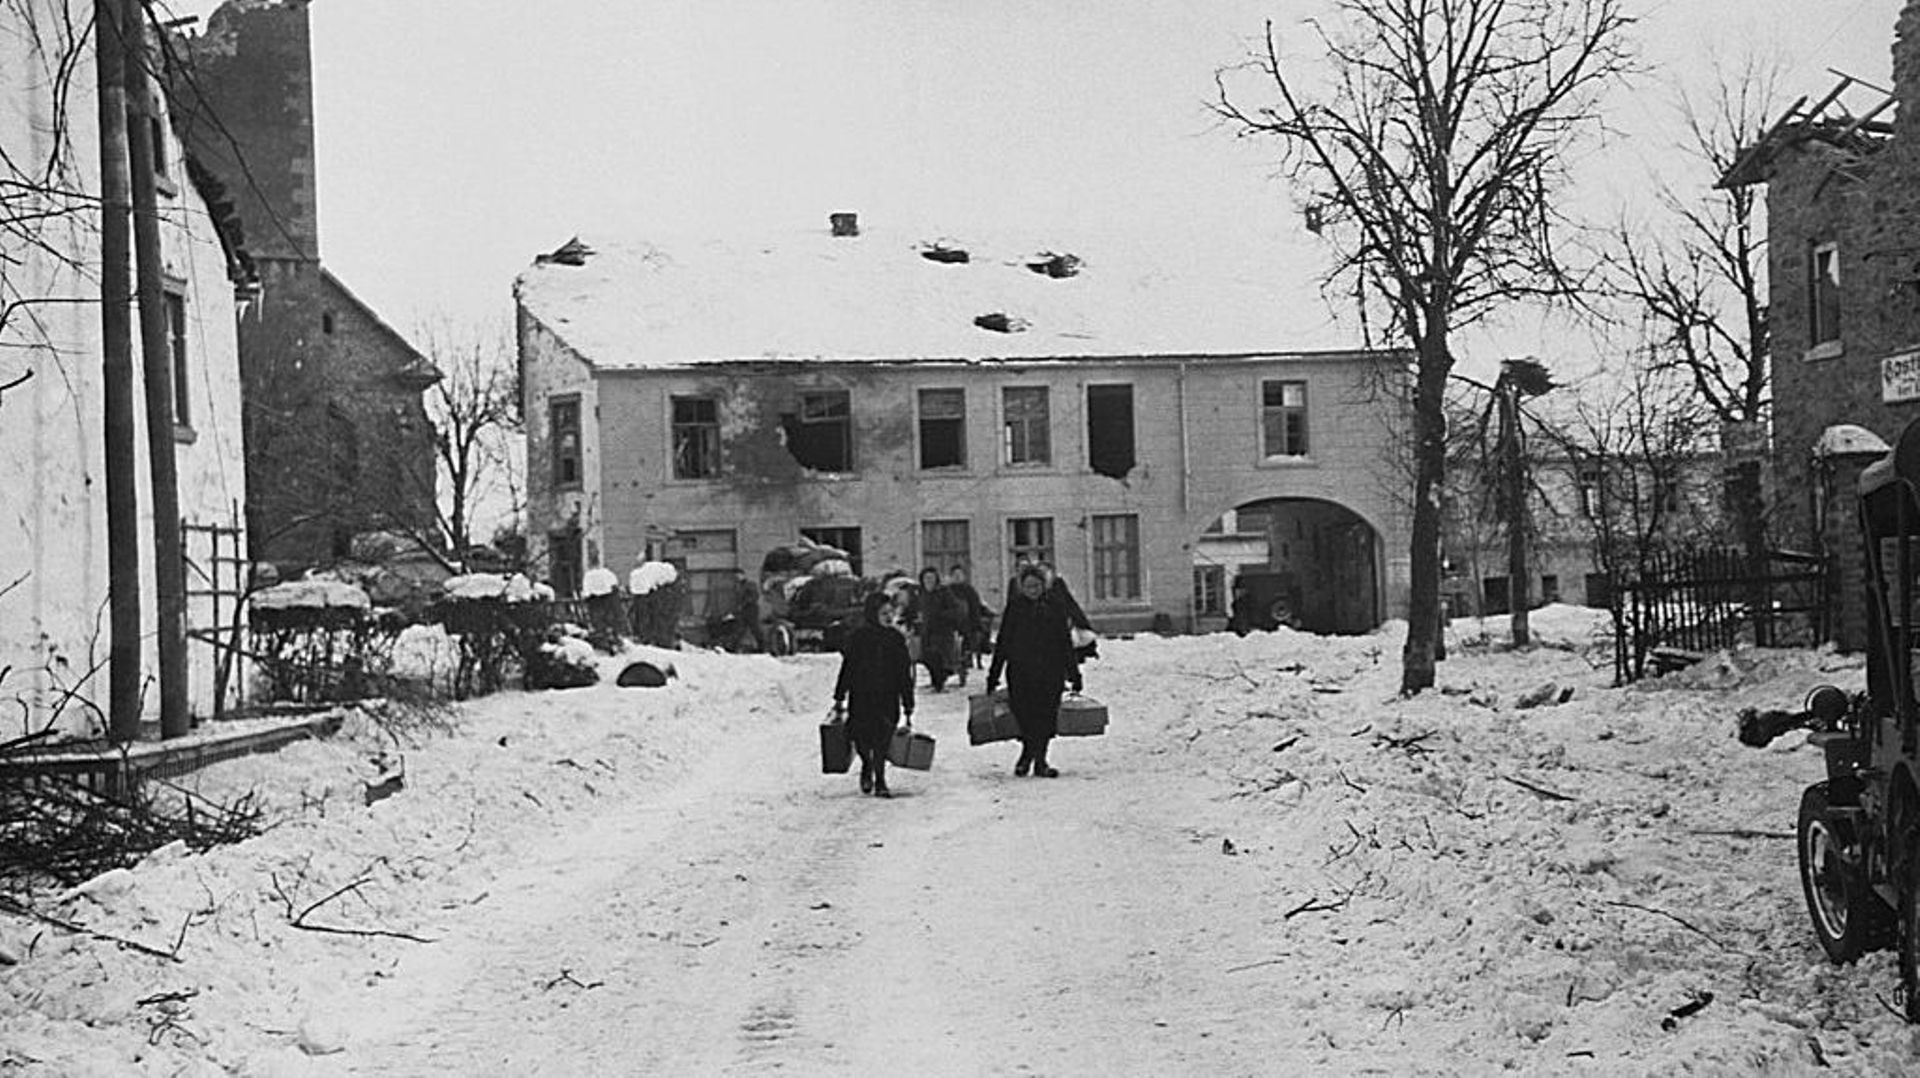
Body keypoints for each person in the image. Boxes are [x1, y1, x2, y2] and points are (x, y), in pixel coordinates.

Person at [987, 564, 1082, 778]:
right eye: (1028, 586)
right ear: (1022, 587)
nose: (1033, 590)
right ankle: (1028, 754)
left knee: (1046, 716)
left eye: (1037, 585)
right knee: (1024, 714)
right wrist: (993, 675)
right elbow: (1003, 642)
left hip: (1051, 670)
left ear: (1044, 585)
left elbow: (1064, 642)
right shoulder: (1015, 607)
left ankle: (1039, 761)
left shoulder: (1055, 606)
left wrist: (1074, 673)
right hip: (1022, 671)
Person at [833, 591, 915, 798]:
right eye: (883, 612)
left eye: (890, 612)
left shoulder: (896, 638)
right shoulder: (858, 637)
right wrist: (840, 694)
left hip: (888, 696)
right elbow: (848, 666)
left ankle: (880, 779)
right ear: (872, 613)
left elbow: (903, 671)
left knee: (882, 738)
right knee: (861, 738)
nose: (889, 617)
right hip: (862, 695)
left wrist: (908, 701)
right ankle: (866, 764)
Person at [915, 566, 966, 692]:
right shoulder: (921, 594)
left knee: (939, 657)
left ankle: (939, 683)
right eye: (926, 578)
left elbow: (956, 609)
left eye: (931, 578)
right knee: (927, 658)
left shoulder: (944, 592)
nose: (929, 581)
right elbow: (915, 609)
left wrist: (941, 616)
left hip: (942, 632)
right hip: (927, 631)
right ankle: (935, 681)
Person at [945, 565, 987, 679]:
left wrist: (976, 620)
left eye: (959, 575)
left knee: (973, 634)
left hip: (968, 621)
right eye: (955, 575)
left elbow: (975, 607)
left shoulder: (969, 590)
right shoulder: (947, 590)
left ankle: (967, 657)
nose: (957, 577)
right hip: (951, 622)